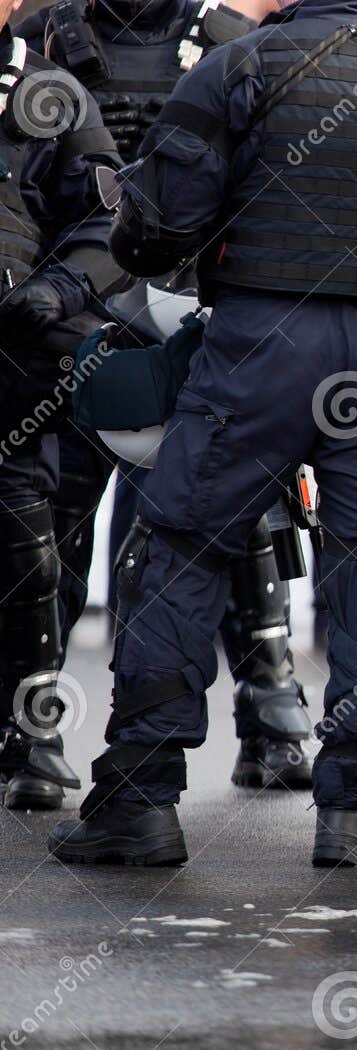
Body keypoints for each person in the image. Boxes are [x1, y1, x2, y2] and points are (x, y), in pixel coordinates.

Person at [45, 0, 357, 868]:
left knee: (182, 549)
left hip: (256, 347)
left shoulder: (239, 65)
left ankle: (140, 800)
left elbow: (157, 224)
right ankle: (351, 810)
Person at [21, 0, 318, 798]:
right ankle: (31, 726)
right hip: (71, 315)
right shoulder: (40, 36)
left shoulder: (232, 41)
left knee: (245, 509)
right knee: (51, 524)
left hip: (193, 312)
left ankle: (270, 706)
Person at [0, 3, 123, 812]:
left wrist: (58, 289)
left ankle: (33, 732)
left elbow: (108, 219)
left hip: (10, 359)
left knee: (25, 548)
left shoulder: (48, 96)